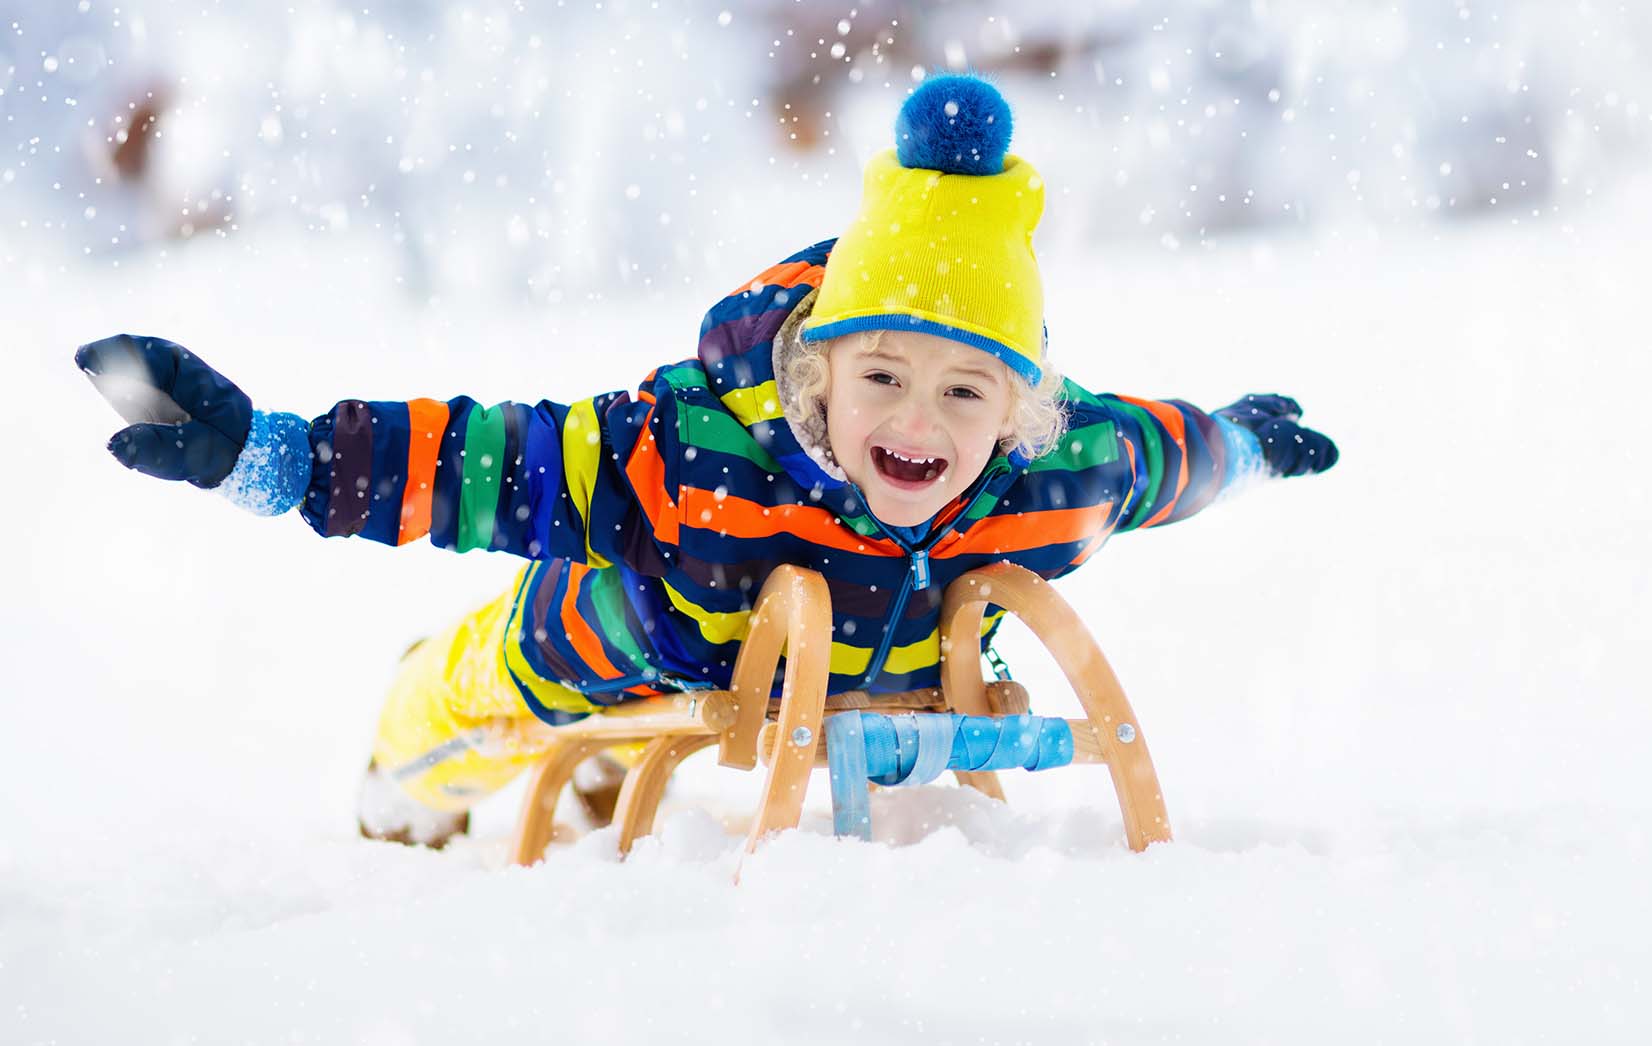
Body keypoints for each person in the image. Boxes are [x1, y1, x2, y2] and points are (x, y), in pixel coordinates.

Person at [75, 74, 1338, 848]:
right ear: (815, 373)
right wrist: (273, 457)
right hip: (637, 622)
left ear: (1013, 409)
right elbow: (488, 460)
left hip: (842, 680)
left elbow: (1169, 458)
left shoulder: (1056, 477)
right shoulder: (696, 454)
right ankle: (402, 774)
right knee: (476, 697)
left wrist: (1247, 443)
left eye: (965, 391)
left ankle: (604, 772)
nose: (919, 422)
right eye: (881, 376)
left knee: (636, 748)